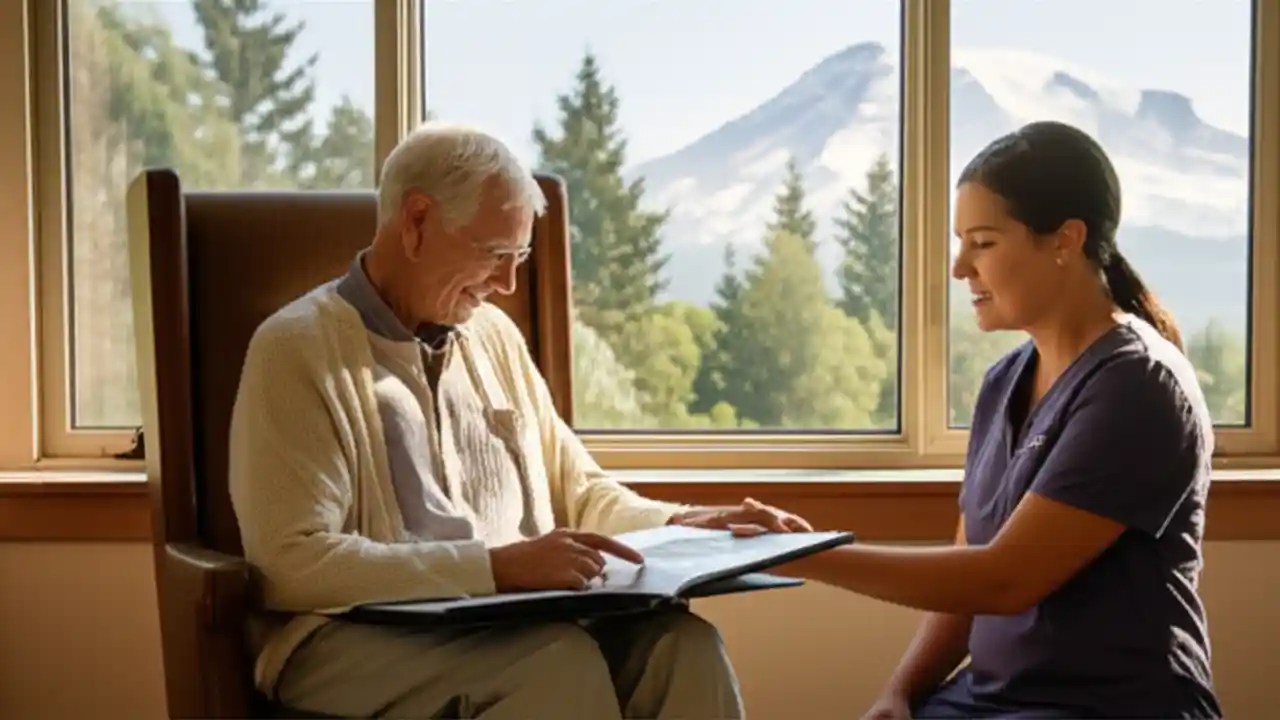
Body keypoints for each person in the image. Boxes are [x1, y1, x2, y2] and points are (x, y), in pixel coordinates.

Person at [228, 122, 813, 719]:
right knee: (554, 666)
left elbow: (579, 492)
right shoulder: (296, 347)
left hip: (514, 624)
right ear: (417, 221)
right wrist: (492, 568)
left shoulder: (495, 337)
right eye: (494, 255)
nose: (508, 285)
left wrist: (688, 523)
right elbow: (290, 564)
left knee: (684, 646)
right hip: (341, 639)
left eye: (521, 257)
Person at [781, 121, 1221, 719]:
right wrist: (900, 694)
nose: (960, 267)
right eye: (960, 242)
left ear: (1065, 240)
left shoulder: (1138, 387)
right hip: (987, 702)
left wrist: (798, 553)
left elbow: (1003, 580)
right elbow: (968, 577)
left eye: (982, 243)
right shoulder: (1004, 382)